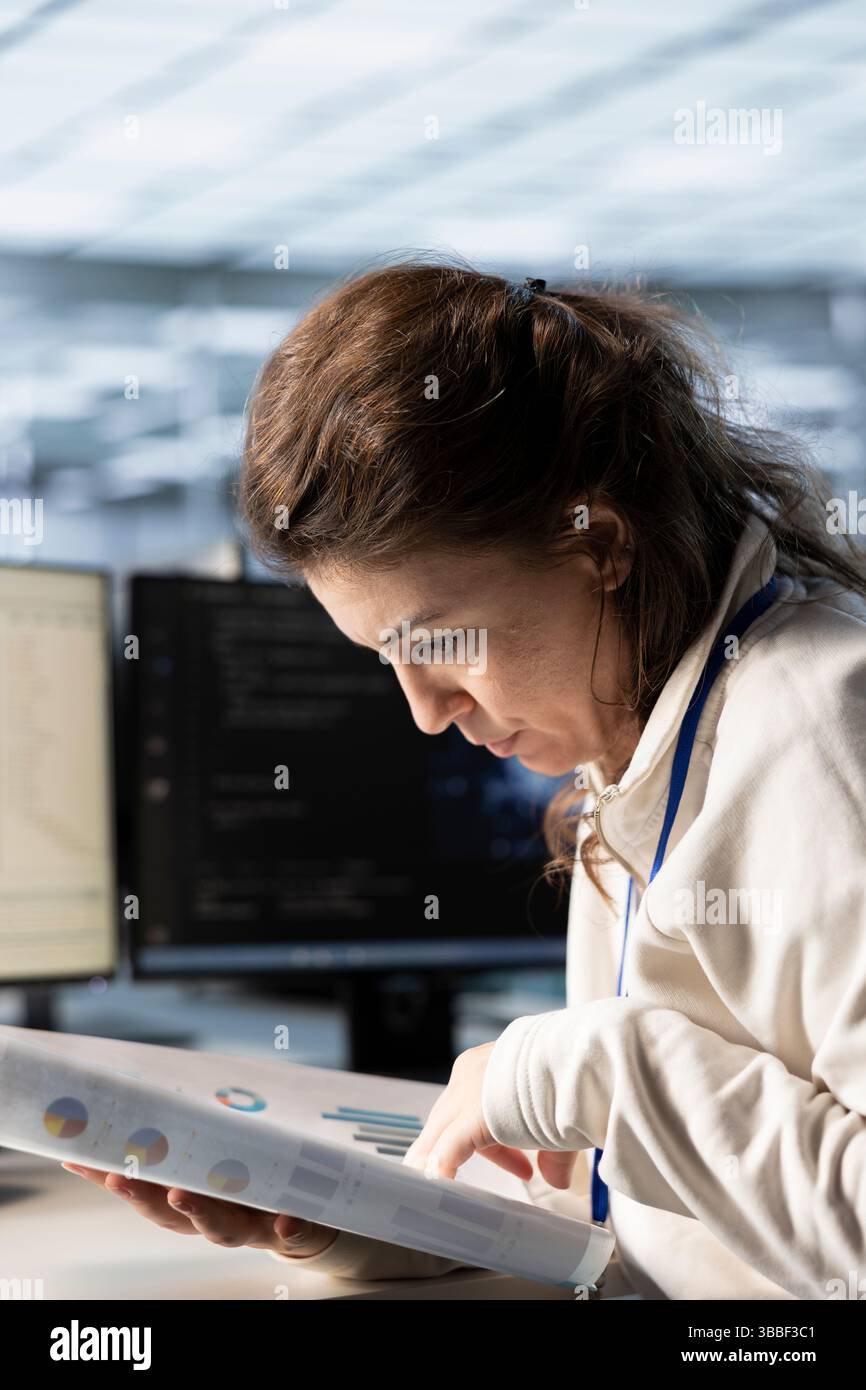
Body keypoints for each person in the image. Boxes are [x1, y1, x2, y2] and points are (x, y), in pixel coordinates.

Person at [66, 259, 866, 1299]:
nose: (424, 710)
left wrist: (579, 1071)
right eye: (382, 659)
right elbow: (674, 1226)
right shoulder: (631, 747)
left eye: (438, 639)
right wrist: (355, 1221)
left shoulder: (817, 724)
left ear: (600, 545)